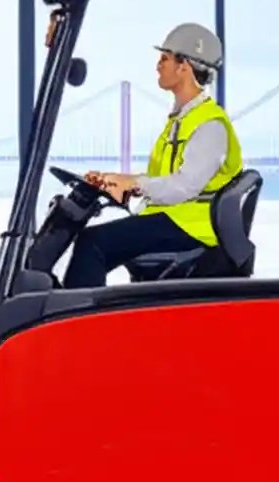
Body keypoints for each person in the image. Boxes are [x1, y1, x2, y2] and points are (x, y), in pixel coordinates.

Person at [61, 22, 243, 288]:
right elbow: (166, 178)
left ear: (185, 66)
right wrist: (117, 181)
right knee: (94, 240)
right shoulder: (183, 117)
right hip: (175, 218)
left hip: (193, 229)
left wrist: (134, 184)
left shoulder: (209, 124)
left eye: (165, 58)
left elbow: (186, 185)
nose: (158, 65)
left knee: (93, 244)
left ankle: (78, 327)